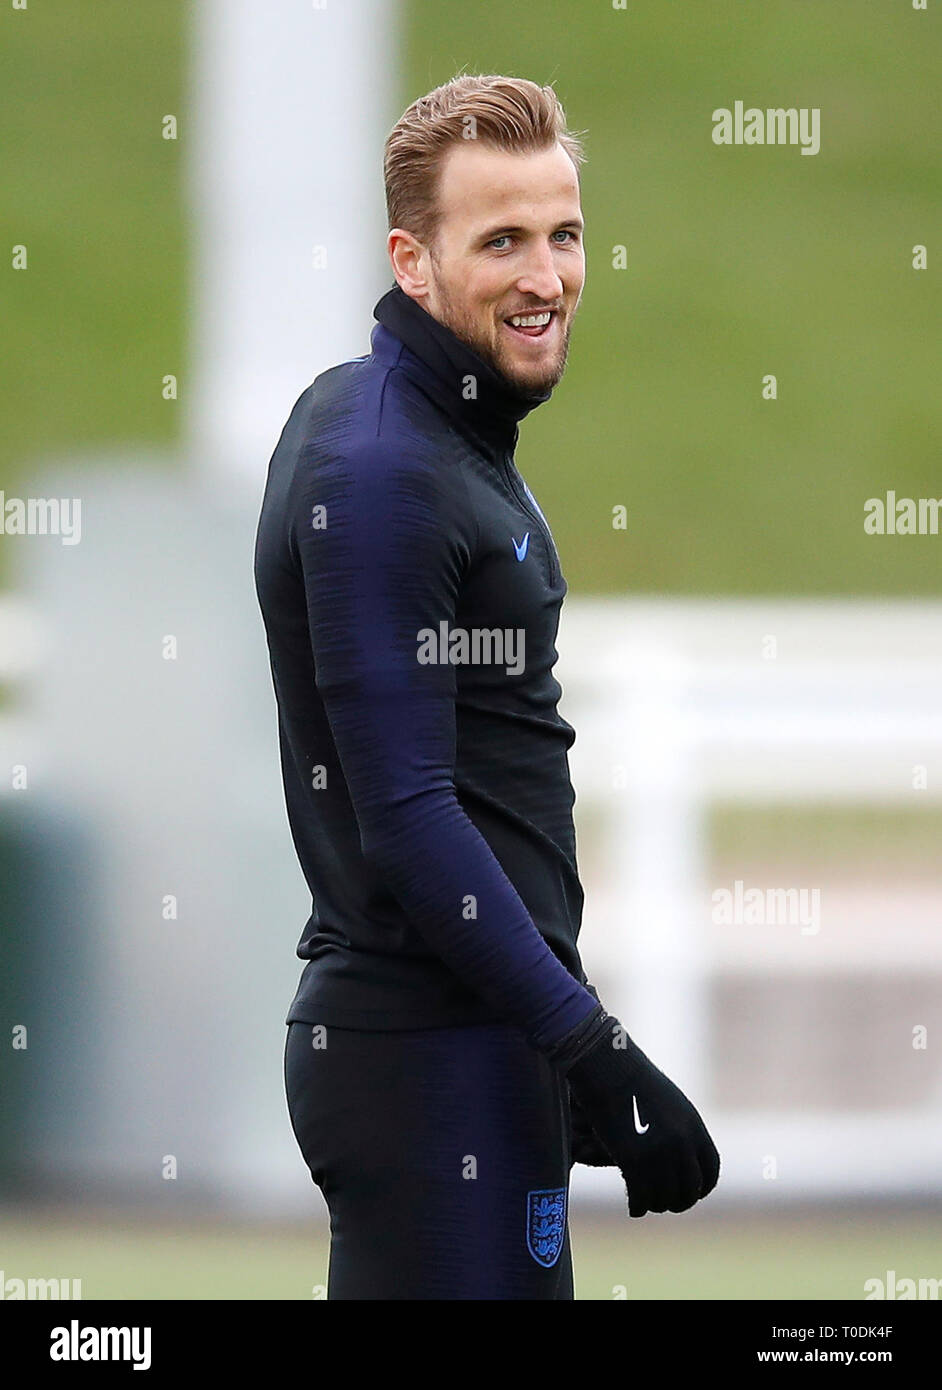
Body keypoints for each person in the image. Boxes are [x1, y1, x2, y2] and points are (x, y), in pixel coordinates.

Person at [254, 73, 719, 1301]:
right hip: (422, 1056)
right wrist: (595, 1045)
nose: (545, 275)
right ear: (413, 260)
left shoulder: (424, 429)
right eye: (501, 239)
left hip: (474, 1040)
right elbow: (408, 815)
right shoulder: (384, 473)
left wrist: (554, 1039)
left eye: (563, 235)